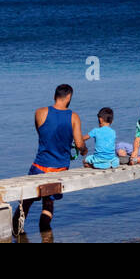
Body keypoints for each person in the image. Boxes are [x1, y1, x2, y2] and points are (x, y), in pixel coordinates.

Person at [21, 83, 87, 232]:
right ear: (69, 97)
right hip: (60, 169)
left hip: (39, 167)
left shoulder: (40, 113)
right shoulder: (74, 117)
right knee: (49, 204)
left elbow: (41, 133)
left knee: (26, 201)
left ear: (55, 95)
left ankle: (17, 230)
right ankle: (45, 233)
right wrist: (84, 150)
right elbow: (79, 144)